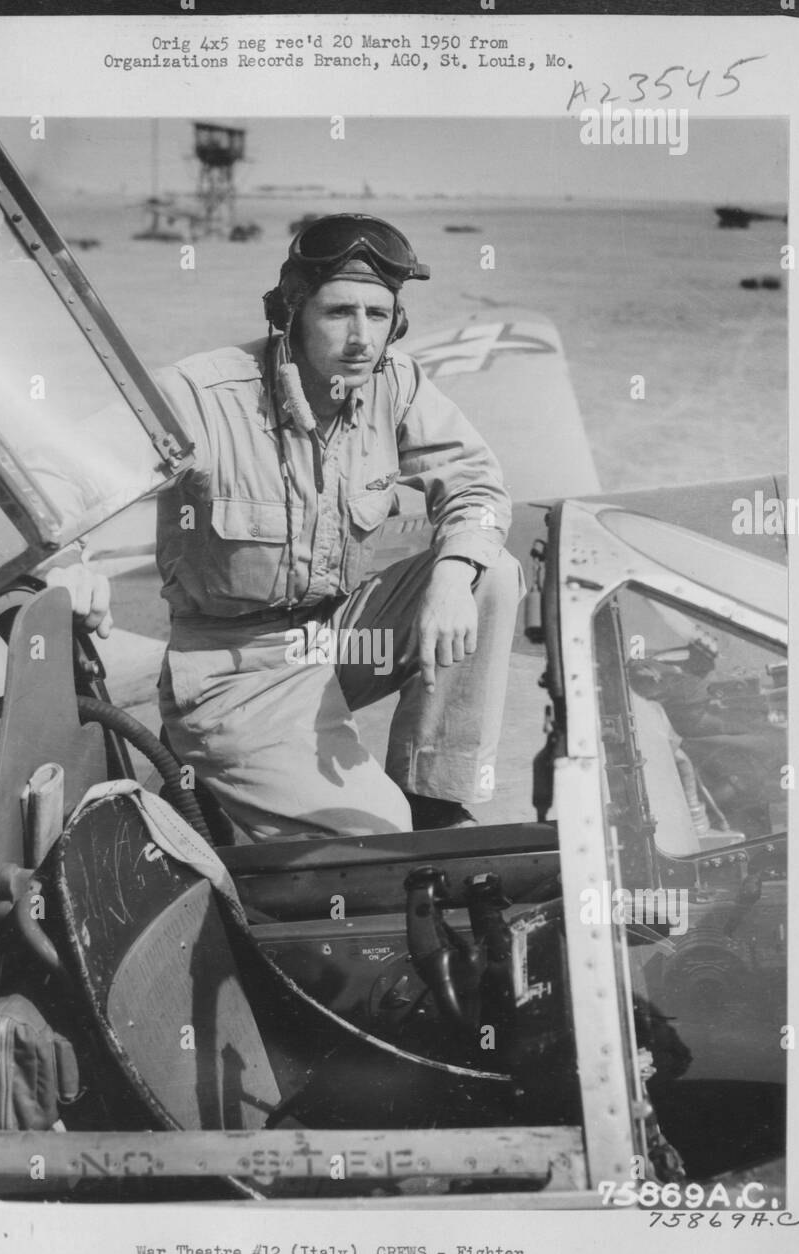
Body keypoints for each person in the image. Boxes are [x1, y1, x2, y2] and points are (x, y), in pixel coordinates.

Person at [119, 214, 519, 840]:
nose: (362, 339)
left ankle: (434, 795)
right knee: (375, 838)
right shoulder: (201, 394)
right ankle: (233, 781)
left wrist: (450, 576)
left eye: (379, 316)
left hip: (335, 637)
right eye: (339, 313)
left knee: (489, 570)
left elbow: (479, 485)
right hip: (237, 671)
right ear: (293, 312)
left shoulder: (396, 381)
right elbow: (66, 476)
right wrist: (68, 572)